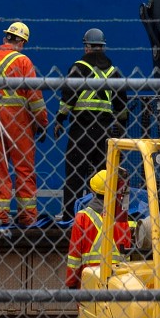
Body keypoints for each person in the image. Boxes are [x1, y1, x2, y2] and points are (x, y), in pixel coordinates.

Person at [0, 21, 49, 226]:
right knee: (24, 167)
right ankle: (27, 216)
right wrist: (42, 122)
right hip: (18, 121)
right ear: (21, 43)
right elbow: (35, 98)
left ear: (5, 38)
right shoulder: (23, 61)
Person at [58, 28, 126, 194]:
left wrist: (60, 119)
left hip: (80, 131)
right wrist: (121, 126)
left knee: (74, 178)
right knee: (103, 178)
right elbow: (121, 106)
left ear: (87, 47)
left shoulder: (79, 68)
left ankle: (71, 210)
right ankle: (102, 209)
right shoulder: (113, 72)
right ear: (103, 47)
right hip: (104, 132)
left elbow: (68, 97)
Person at [65, 170, 134, 288]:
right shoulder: (124, 221)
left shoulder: (82, 217)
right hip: (118, 283)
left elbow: (74, 257)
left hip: (89, 282)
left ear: (93, 191)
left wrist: (71, 283)